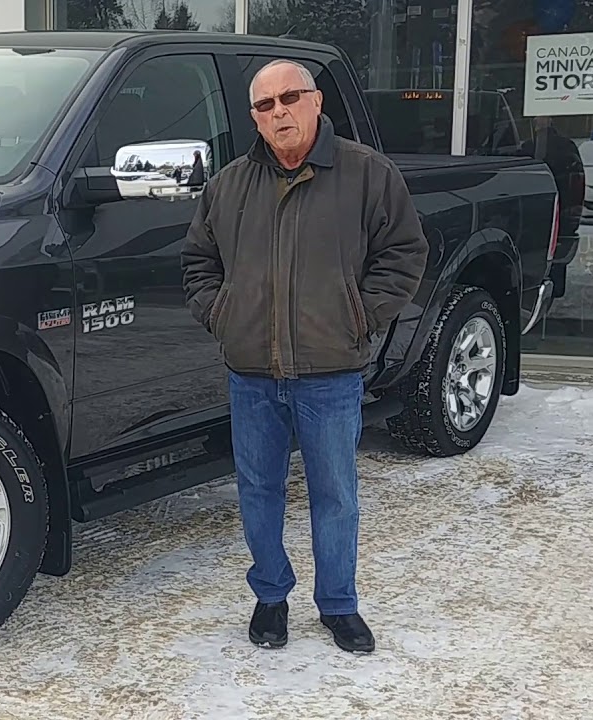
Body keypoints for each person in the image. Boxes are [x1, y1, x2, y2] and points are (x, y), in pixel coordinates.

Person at [180, 59, 428, 653]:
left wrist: (358, 317)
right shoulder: (229, 185)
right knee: (258, 490)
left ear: (316, 102)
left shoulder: (368, 175)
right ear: (255, 119)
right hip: (252, 375)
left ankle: (339, 604)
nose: (279, 112)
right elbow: (198, 263)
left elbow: (404, 254)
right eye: (265, 105)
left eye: (290, 97)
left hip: (330, 373)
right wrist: (224, 316)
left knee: (335, 494)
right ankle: (270, 597)